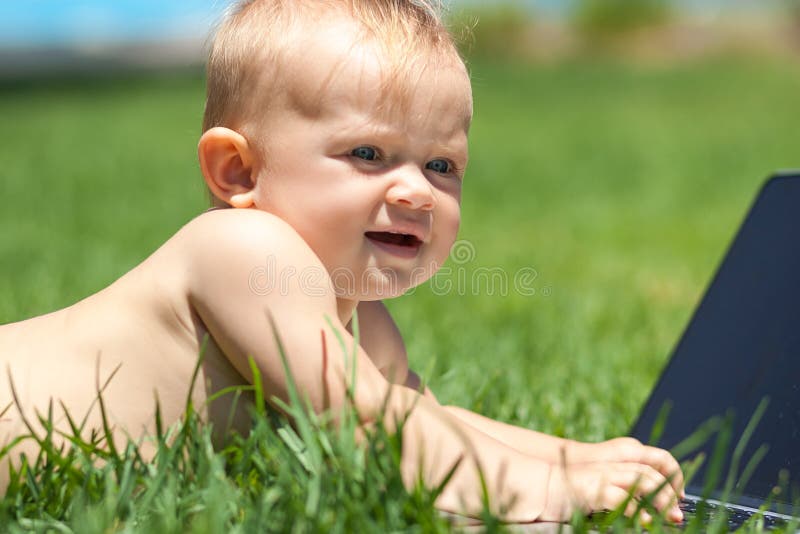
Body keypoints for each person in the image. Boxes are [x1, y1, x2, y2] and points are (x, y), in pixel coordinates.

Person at [0, 0, 684, 524]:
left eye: (442, 164)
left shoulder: (365, 325)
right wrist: (539, 491)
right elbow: (359, 424)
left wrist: (570, 457)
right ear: (238, 171)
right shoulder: (241, 251)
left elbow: (419, 420)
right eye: (368, 154)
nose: (416, 188)